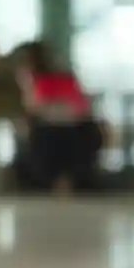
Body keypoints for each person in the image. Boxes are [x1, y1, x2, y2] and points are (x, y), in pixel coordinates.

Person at [9, 41, 102, 193]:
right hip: (54, 132)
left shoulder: (60, 81)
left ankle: (64, 181)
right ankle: (61, 182)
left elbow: (81, 109)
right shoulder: (35, 84)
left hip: (69, 131)